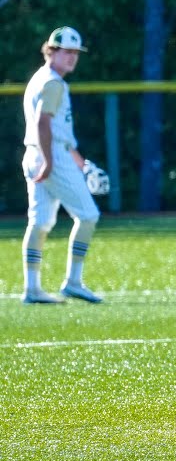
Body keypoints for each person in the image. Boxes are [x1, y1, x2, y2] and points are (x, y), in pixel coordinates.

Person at [20, 27, 103, 304]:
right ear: (51, 51)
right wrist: (50, 162)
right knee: (88, 215)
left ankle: (32, 288)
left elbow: (58, 133)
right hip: (50, 156)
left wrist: (82, 164)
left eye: (76, 53)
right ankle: (73, 281)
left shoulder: (39, 78)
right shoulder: (54, 83)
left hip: (35, 153)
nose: (72, 57)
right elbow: (44, 125)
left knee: (40, 222)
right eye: (67, 52)